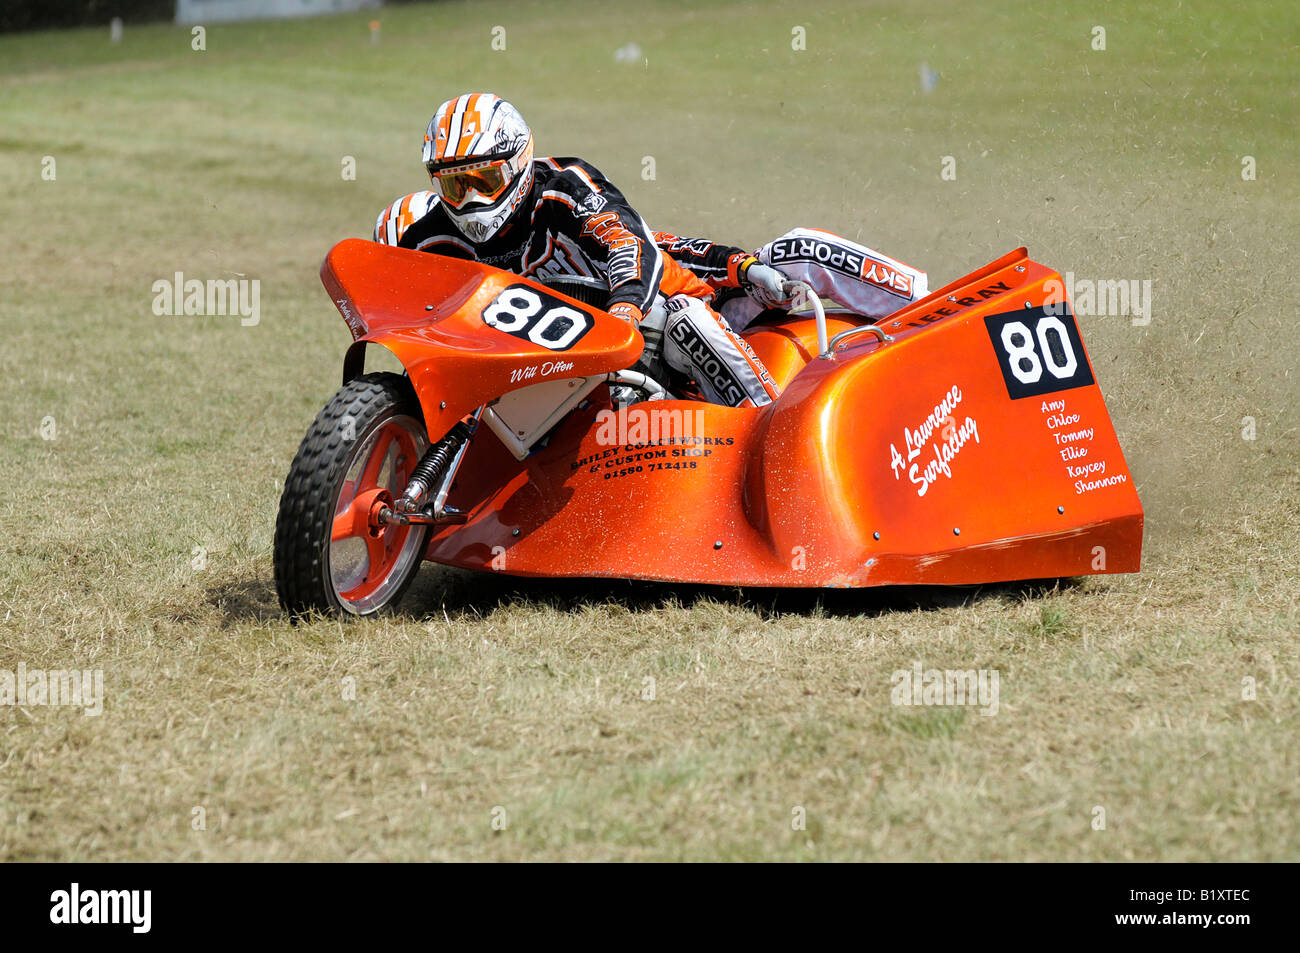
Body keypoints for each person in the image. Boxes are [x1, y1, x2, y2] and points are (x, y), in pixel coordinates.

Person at [379, 93, 787, 408]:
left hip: (628, 328)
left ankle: (764, 428)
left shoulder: (567, 186)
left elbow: (629, 242)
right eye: (454, 185)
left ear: (519, 160)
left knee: (689, 320)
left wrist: (624, 314)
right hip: (527, 363)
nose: (470, 201)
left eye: (484, 180)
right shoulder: (428, 234)